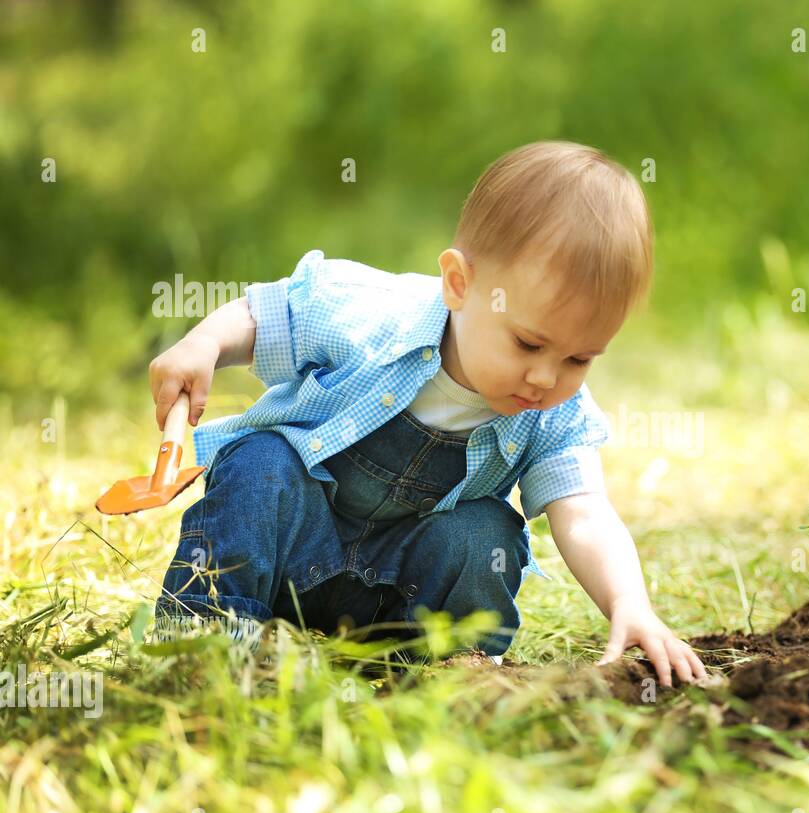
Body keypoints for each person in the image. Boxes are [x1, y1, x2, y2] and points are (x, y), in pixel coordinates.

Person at [149, 141, 706, 687]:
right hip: (290, 551)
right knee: (262, 465)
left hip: (399, 590)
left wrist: (629, 603)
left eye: (579, 358)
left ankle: (450, 670)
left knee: (485, 532)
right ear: (460, 284)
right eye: (527, 345)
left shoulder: (554, 415)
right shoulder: (369, 313)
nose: (545, 378)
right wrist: (204, 345)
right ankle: (207, 638)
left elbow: (584, 512)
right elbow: (264, 317)